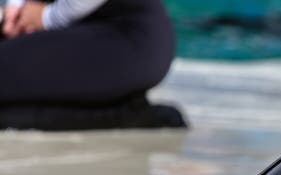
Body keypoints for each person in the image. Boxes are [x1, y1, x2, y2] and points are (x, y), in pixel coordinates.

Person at [0, 0, 185, 129]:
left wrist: (48, 17)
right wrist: (15, 9)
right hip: (73, 29)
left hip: (125, 37)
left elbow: (54, 16)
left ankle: (132, 115)